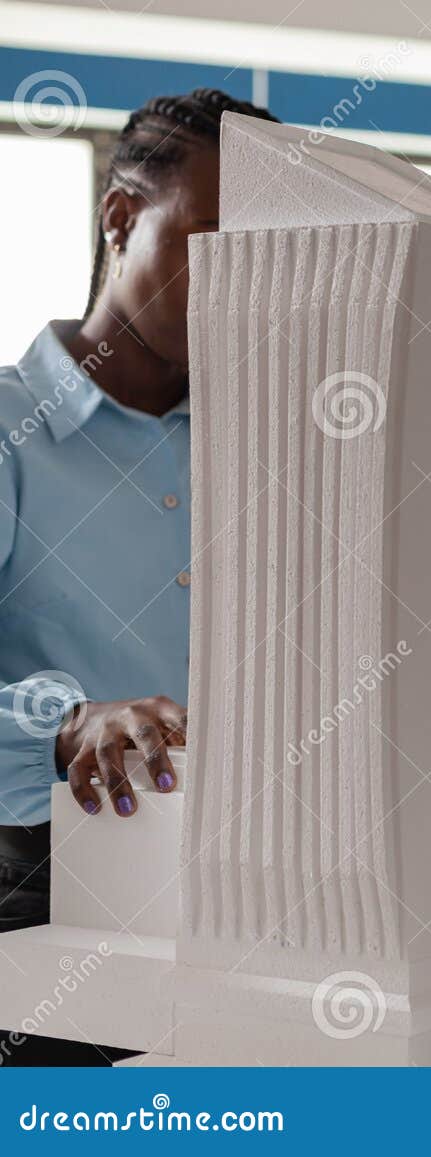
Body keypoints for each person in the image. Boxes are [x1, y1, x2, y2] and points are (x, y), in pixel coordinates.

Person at [0, 89, 277, 1063]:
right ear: (120, 217)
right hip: (36, 899)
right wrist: (66, 723)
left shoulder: (267, 451)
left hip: (242, 904)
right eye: (214, 242)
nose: (239, 285)